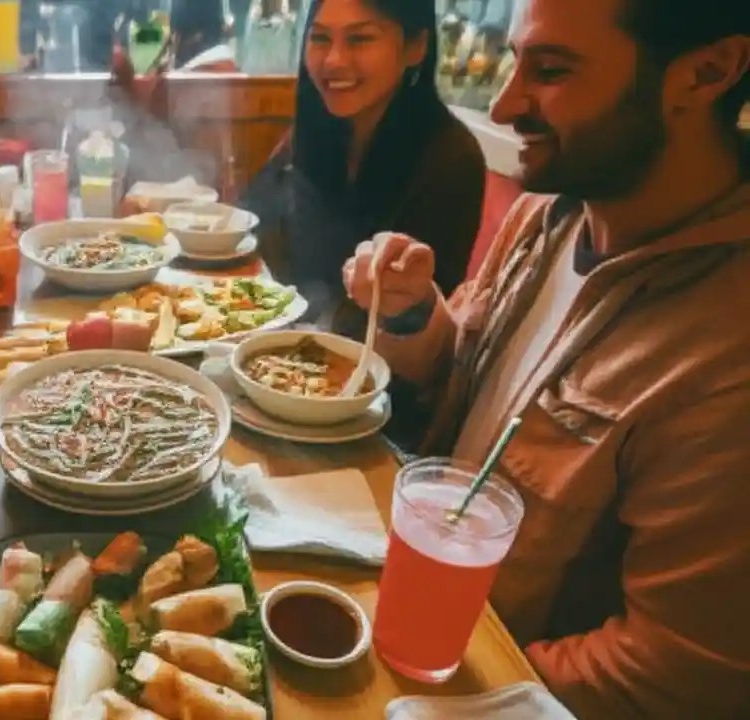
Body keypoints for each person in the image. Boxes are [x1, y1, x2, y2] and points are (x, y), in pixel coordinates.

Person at [343, 0, 750, 716]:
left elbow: (673, 671)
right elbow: (466, 380)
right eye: (513, 62)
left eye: (552, 71)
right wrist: (414, 315)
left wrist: (460, 687)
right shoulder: (550, 211)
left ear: (707, 72)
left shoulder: (728, 349)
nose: (503, 105)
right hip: (398, 617)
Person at [243, 0, 484, 322]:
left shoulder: (450, 157)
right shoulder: (314, 131)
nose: (334, 60)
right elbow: (250, 220)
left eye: (360, 39)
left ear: (415, 47)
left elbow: (413, 323)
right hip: (278, 336)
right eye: (320, 38)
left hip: (373, 362)